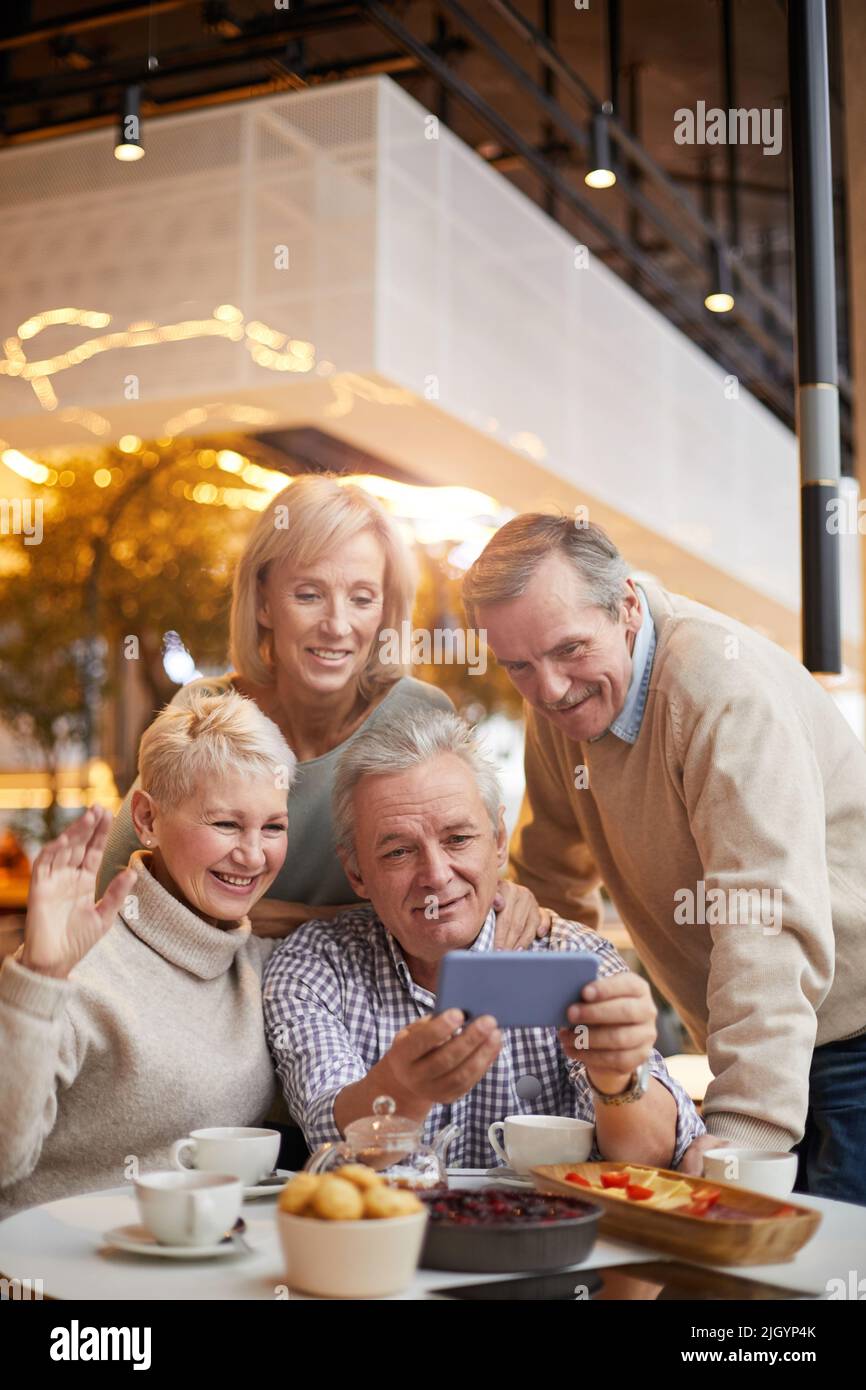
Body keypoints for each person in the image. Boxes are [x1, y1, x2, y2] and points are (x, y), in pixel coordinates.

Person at [462, 512, 866, 1204]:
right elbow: (549, 885)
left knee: (824, 1278)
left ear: (625, 605)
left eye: (568, 651)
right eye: (518, 666)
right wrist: (503, 1042)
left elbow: (763, 921)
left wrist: (746, 1127)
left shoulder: (719, 691)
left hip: (851, 1037)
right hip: (770, 1038)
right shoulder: (565, 703)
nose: (550, 689)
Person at [96, 473, 542, 948]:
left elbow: (446, 896)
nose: (337, 625)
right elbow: (115, 890)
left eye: (362, 599)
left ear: (385, 611)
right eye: (308, 595)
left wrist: (299, 919)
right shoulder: (203, 715)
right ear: (264, 602)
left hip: (361, 1002)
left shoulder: (419, 715)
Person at [262, 707, 703, 1170]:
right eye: (398, 851)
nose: (435, 875)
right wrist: (403, 1087)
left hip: (545, 1238)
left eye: (457, 839)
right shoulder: (314, 966)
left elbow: (652, 1160)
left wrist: (616, 1076)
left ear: (497, 842)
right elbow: (336, 1147)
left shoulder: (574, 956)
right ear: (356, 872)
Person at [0, 689, 293, 1218]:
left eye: (273, 826)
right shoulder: (73, 964)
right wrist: (37, 979)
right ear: (147, 819)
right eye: (226, 824)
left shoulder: (263, 968)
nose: (253, 854)